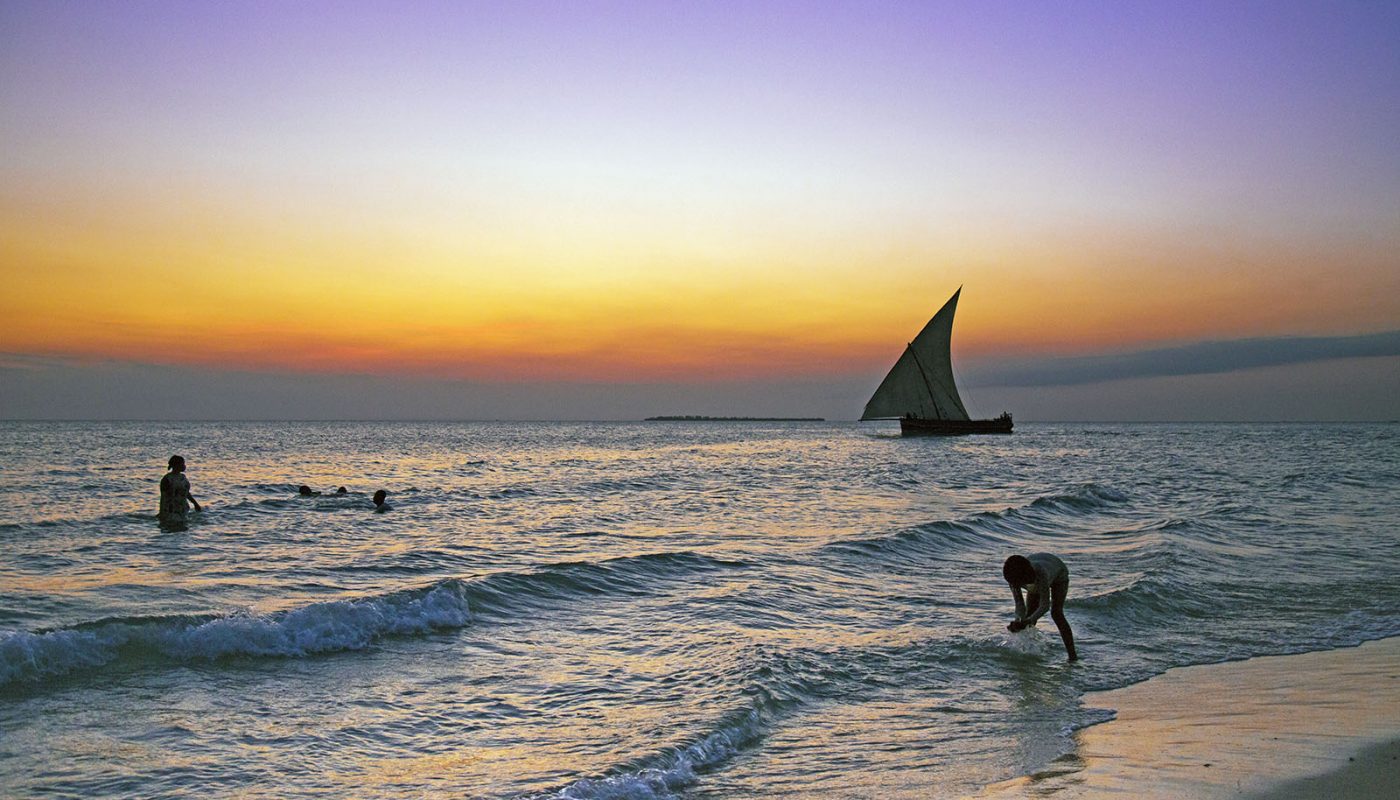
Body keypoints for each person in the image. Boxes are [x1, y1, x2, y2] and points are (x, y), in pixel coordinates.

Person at [1003, 552, 1077, 661]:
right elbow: (1019, 604)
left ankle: (1072, 657)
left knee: (1056, 614)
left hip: (1058, 574)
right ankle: (1028, 655)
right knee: (1029, 616)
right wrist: (1018, 621)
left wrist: (1028, 621)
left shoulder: (1040, 573)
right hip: (1038, 570)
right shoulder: (1013, 578)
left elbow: (1045, 605)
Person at [159, 455, 202, 522]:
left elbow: (186, 492)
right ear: (176, 465)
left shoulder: (183, 477)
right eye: (182, 463)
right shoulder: (167, 479)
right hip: (171, 511)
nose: (184, 466)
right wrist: (162, 513)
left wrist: (195, 503)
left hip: (183, 508)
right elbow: (163, 498)